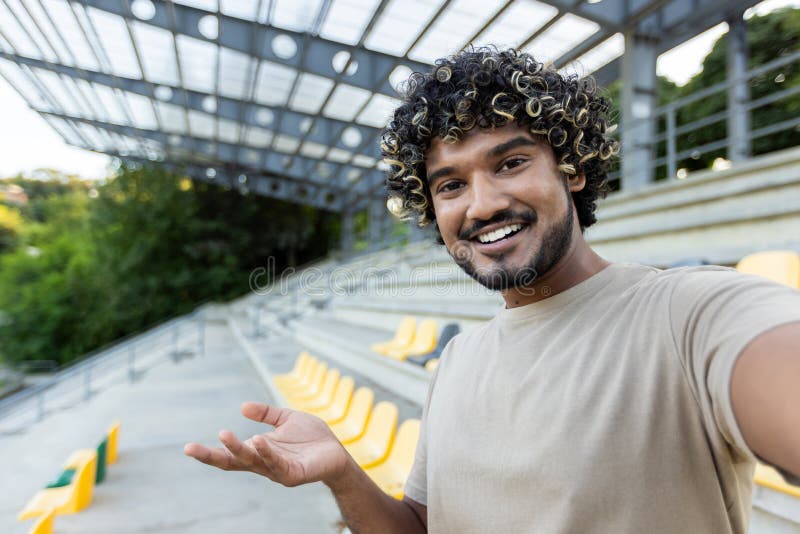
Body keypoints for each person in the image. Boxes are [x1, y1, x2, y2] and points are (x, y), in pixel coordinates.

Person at [184, 48, 800, 532]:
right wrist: (344, 474)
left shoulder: (691, 314)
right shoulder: (457, 361)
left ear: (572, 167)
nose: (482, 204)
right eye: (449, 185)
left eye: (510, 163)